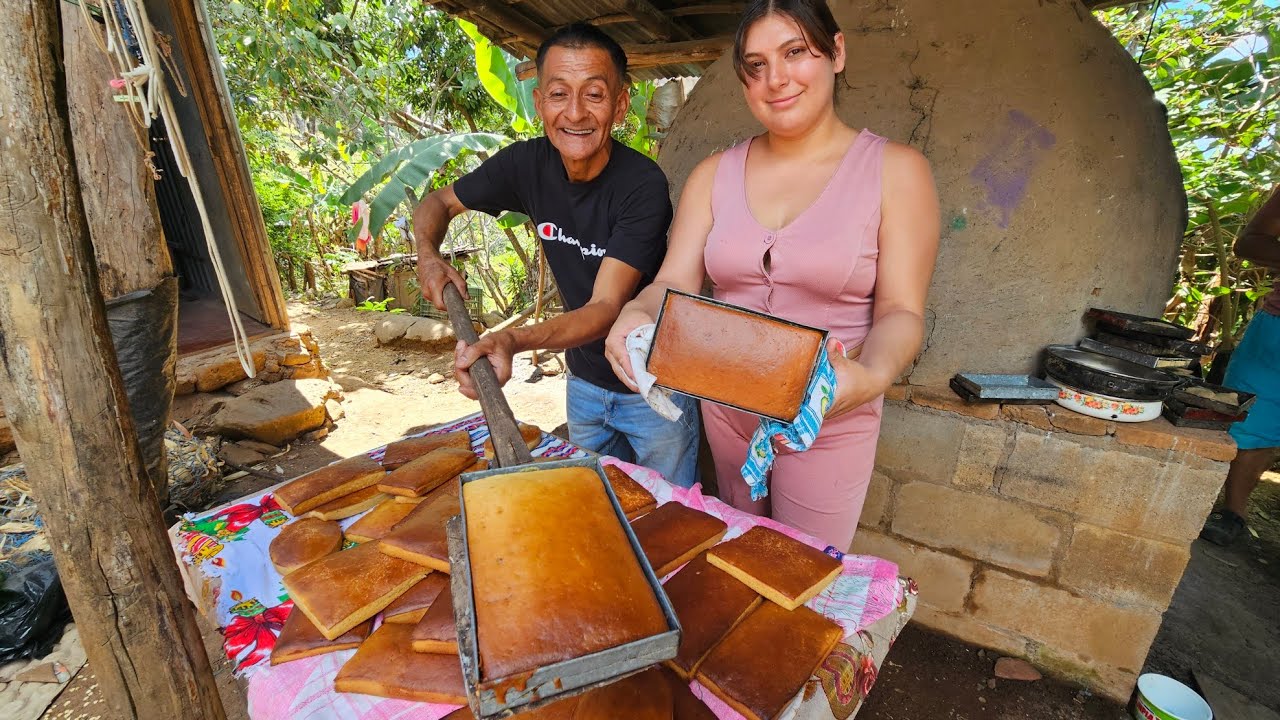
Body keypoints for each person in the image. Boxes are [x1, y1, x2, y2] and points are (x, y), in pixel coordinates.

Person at [605, 0, 940, 549]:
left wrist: (871, 378)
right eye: (755, 66)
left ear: (836, 52)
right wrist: (637, 311)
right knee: (742, 559)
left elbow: (902, 312)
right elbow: (674, 282)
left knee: (801, 574)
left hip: (827, 418)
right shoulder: (713, 175)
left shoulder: (896, 172)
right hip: (725, 410)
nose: (775, 79)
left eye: (794, 53)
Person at [411, 23, 700, 487]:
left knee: (672, 517)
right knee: (592, 511)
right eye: (560, 94)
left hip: (654, 388)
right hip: (584, 385)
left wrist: (512, 340)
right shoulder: (524, 165)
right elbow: (437, 202)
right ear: (540, 102)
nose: (575, 113)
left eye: (594, 94)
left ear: (621, 104)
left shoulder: (641, 187)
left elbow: (606, 309)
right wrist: (427, 254)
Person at [1201, 185, 1280, 546]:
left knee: (1269, 428)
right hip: (1276, 331)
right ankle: (1230, 511)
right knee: (1248, 419)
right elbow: (1248, 244)